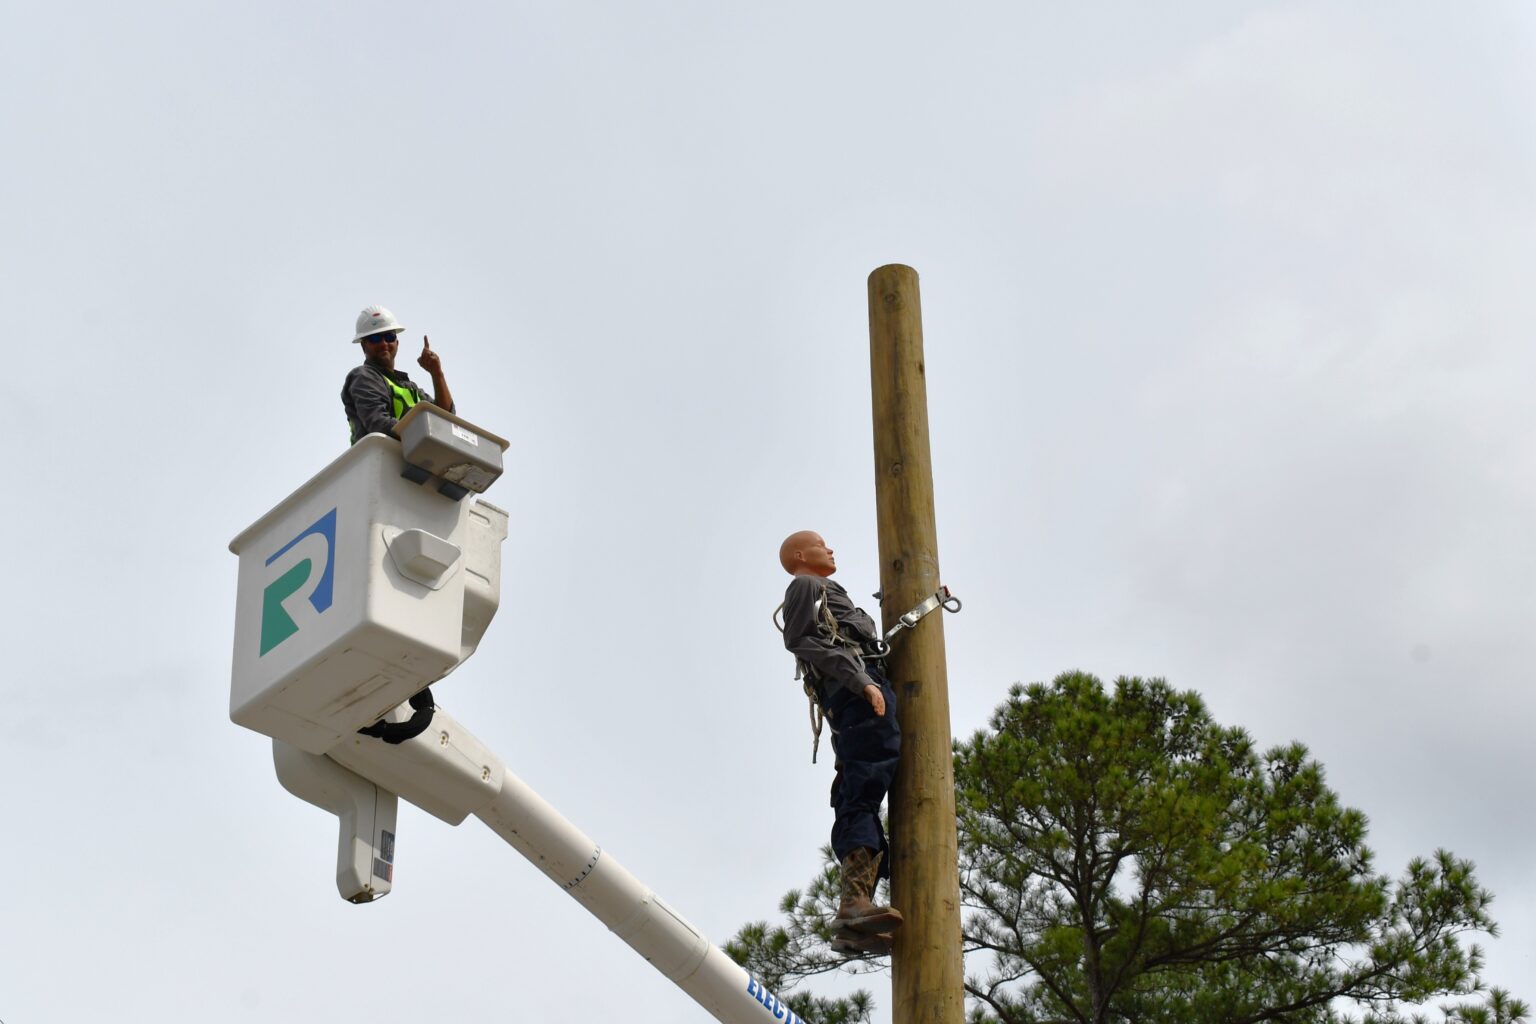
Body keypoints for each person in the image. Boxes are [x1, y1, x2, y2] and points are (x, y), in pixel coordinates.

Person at [778, 530, 903, 952]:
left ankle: (854, 920)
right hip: (855, 695)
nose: (829, 549)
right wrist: (863, 682)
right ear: (800, 555)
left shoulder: (827, 590)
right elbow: (803, 639)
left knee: (864, 785)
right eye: (820, 544)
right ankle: (854, 904)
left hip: (860, 692)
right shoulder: (806, 585)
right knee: (862, 788)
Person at [341, 305, 456, 445]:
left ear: (397, 342)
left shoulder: (410, 388)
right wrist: (426, 433)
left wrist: (437, 374)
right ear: (364, 346)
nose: (384, 343)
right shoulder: (363, 377)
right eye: (375, 338)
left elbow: (445, 420)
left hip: (417, 457)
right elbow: (379, 424)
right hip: (383, 460)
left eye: (389, 336)